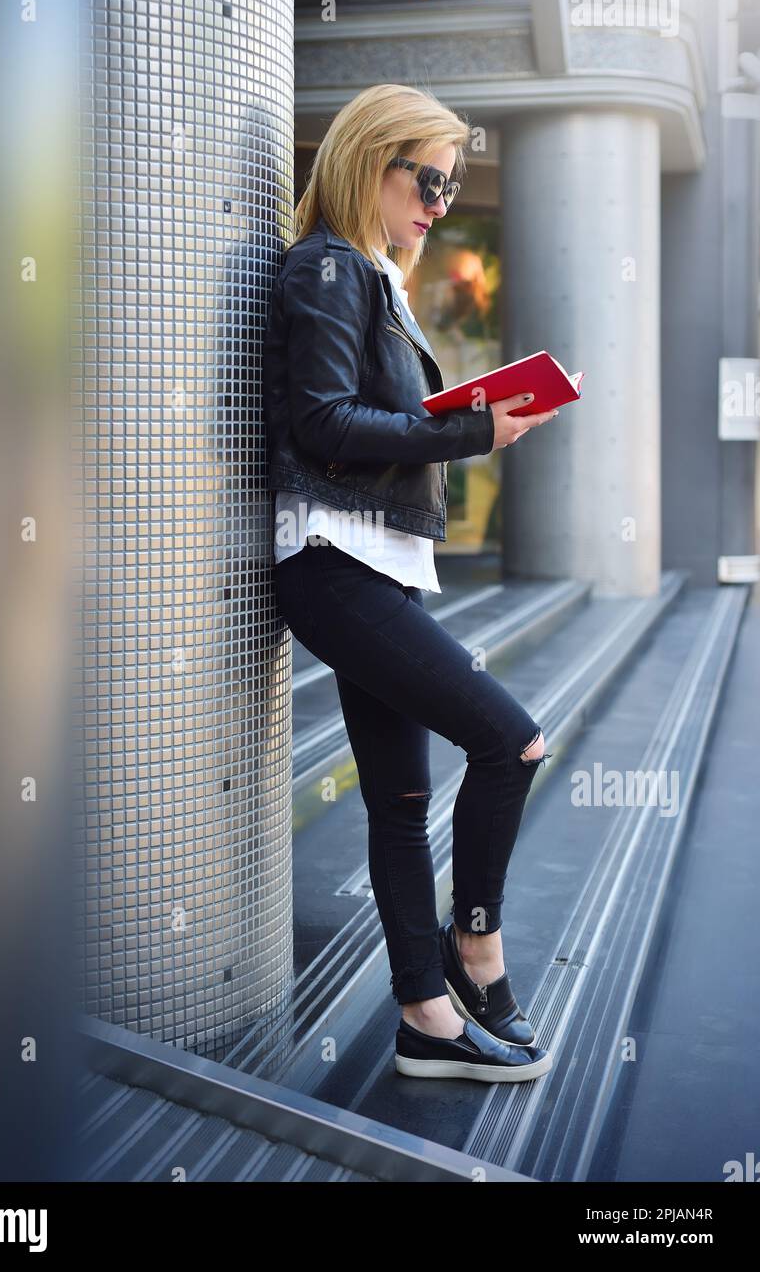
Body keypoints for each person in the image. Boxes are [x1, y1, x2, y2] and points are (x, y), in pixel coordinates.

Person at [262, 84, 558, 1083]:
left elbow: (365, 418)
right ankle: (475, 953)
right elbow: (324, 423)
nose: (441, 199)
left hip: (377, 562)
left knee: (399, 800)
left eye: (454, 181)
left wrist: (465, 415)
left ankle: (425, 1018)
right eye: (429, 178)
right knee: (511, 740)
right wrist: (473, 428)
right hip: (334, 565)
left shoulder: (374, 275)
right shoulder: (328, 267)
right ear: (369, 162)